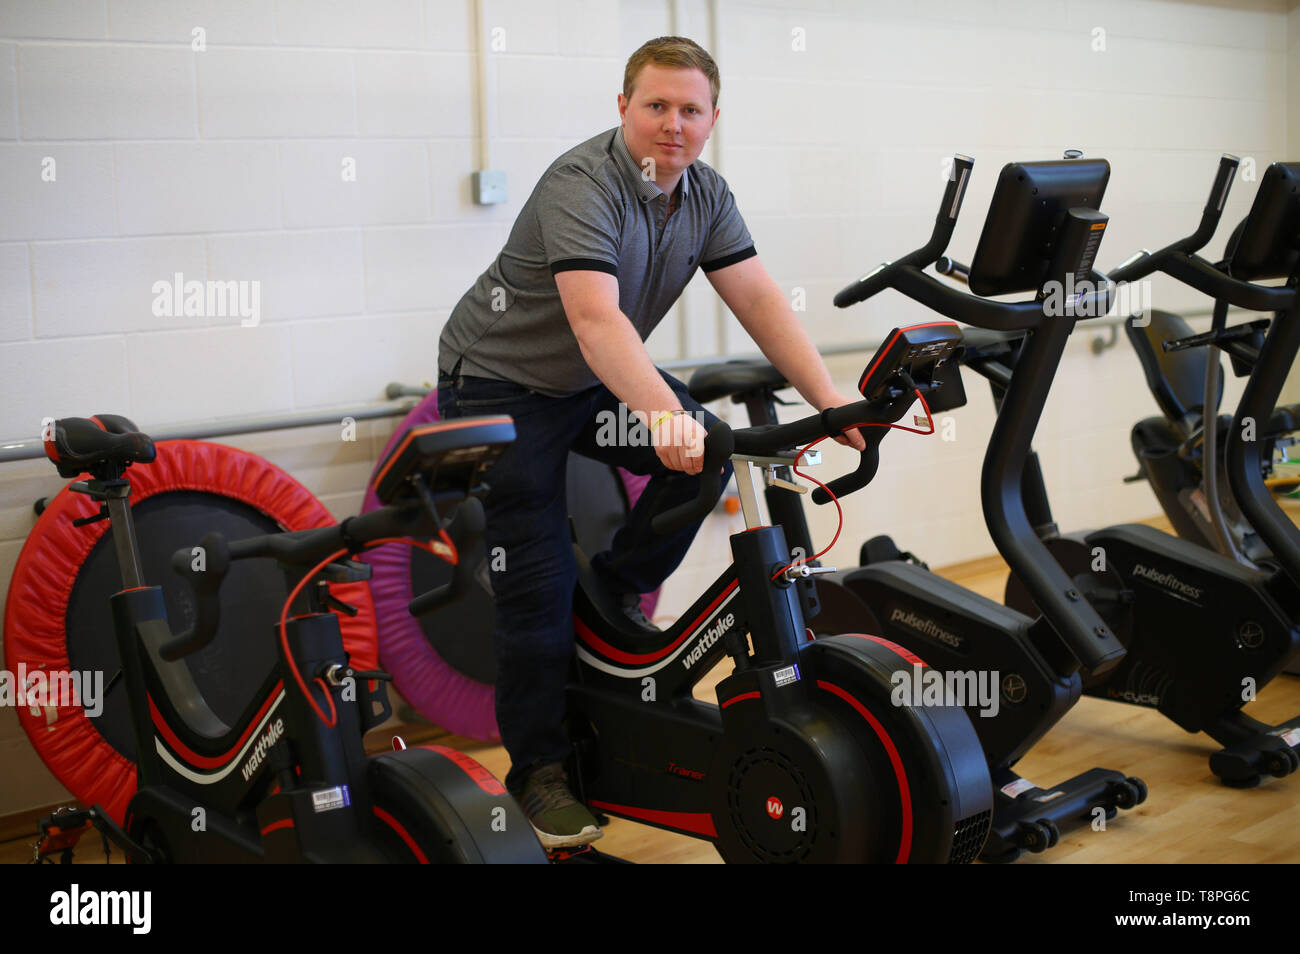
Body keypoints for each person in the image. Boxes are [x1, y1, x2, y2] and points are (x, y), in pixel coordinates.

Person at [437, 35, 864, 849]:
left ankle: (616, 589)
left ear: (712, 119)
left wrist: (831, 399)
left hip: (591, 380)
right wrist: (664, 415)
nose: (673, 124)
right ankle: (538, 772)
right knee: (534, 584)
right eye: (656, 105)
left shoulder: (706, 195)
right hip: (501, 382)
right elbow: (596, 321)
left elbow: (760, 297)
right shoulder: (581, 183)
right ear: (623, 107)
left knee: (710, 454)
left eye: (690, 110)